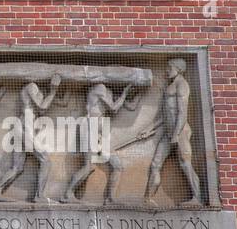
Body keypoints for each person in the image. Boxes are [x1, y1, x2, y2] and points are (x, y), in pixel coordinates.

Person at [60, 82, 137, 205]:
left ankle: (110, 199)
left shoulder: (109, 93)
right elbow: (114, 108)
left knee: (117, 165)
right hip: (90, 127)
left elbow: (128, 107)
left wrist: (131, 96)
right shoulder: (100, 87)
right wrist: (124, 93)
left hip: (100, 134)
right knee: (88, 166)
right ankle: (68, 194)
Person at [0, 74, 63, 204]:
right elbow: (42, 107)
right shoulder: (31, 86)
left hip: (23, 127)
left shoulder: (35, 89)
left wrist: (52, 93)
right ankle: (39, 196)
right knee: (45, 160)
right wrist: (53, 90)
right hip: (25, 127)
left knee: (17, 168)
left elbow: (42, 111)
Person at [145, 59, 202, 208]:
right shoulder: (170, 86)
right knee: (155, 163)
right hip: (169, 132)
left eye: (170, 67)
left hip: (180, 132)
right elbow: (166, 115)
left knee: (185, 164)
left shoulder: (182, 85)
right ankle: (148, 199)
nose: (167, 70)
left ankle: (197, 198)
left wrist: (176, 135)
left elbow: (182, 113)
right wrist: (149, 129)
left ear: (179, 69)